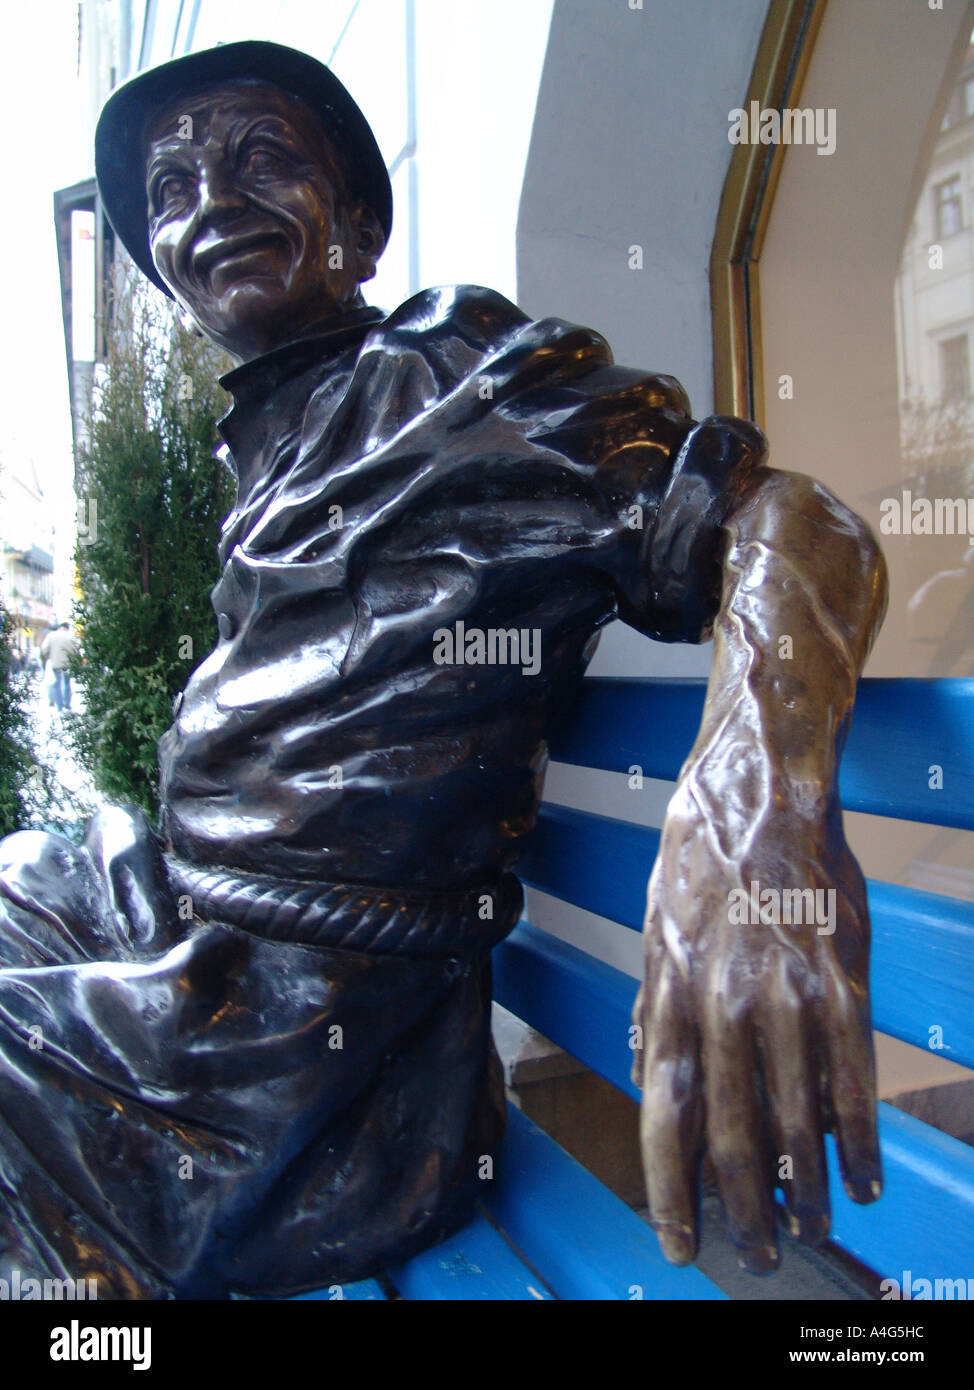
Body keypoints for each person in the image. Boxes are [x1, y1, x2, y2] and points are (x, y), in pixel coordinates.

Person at [0, 41, 887, 1298]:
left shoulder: (454, 375)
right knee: (33, 869)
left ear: (359, 226)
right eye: (172, 189)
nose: (213, 206)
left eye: (261, 159)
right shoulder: (272, 440)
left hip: (317, 1074)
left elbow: (797, 522)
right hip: (199, 954)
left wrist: (758, 800)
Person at [39, 621, 79, 712]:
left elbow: (44, 648)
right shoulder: (71, 637)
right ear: (67, 628)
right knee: (67, 683)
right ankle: (67, 704)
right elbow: (76, 650)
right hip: (68, 664)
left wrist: (47, 656)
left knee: (56, 684)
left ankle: (59, 705)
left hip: (55, 663)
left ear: (59, 627)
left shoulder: (51, 635)